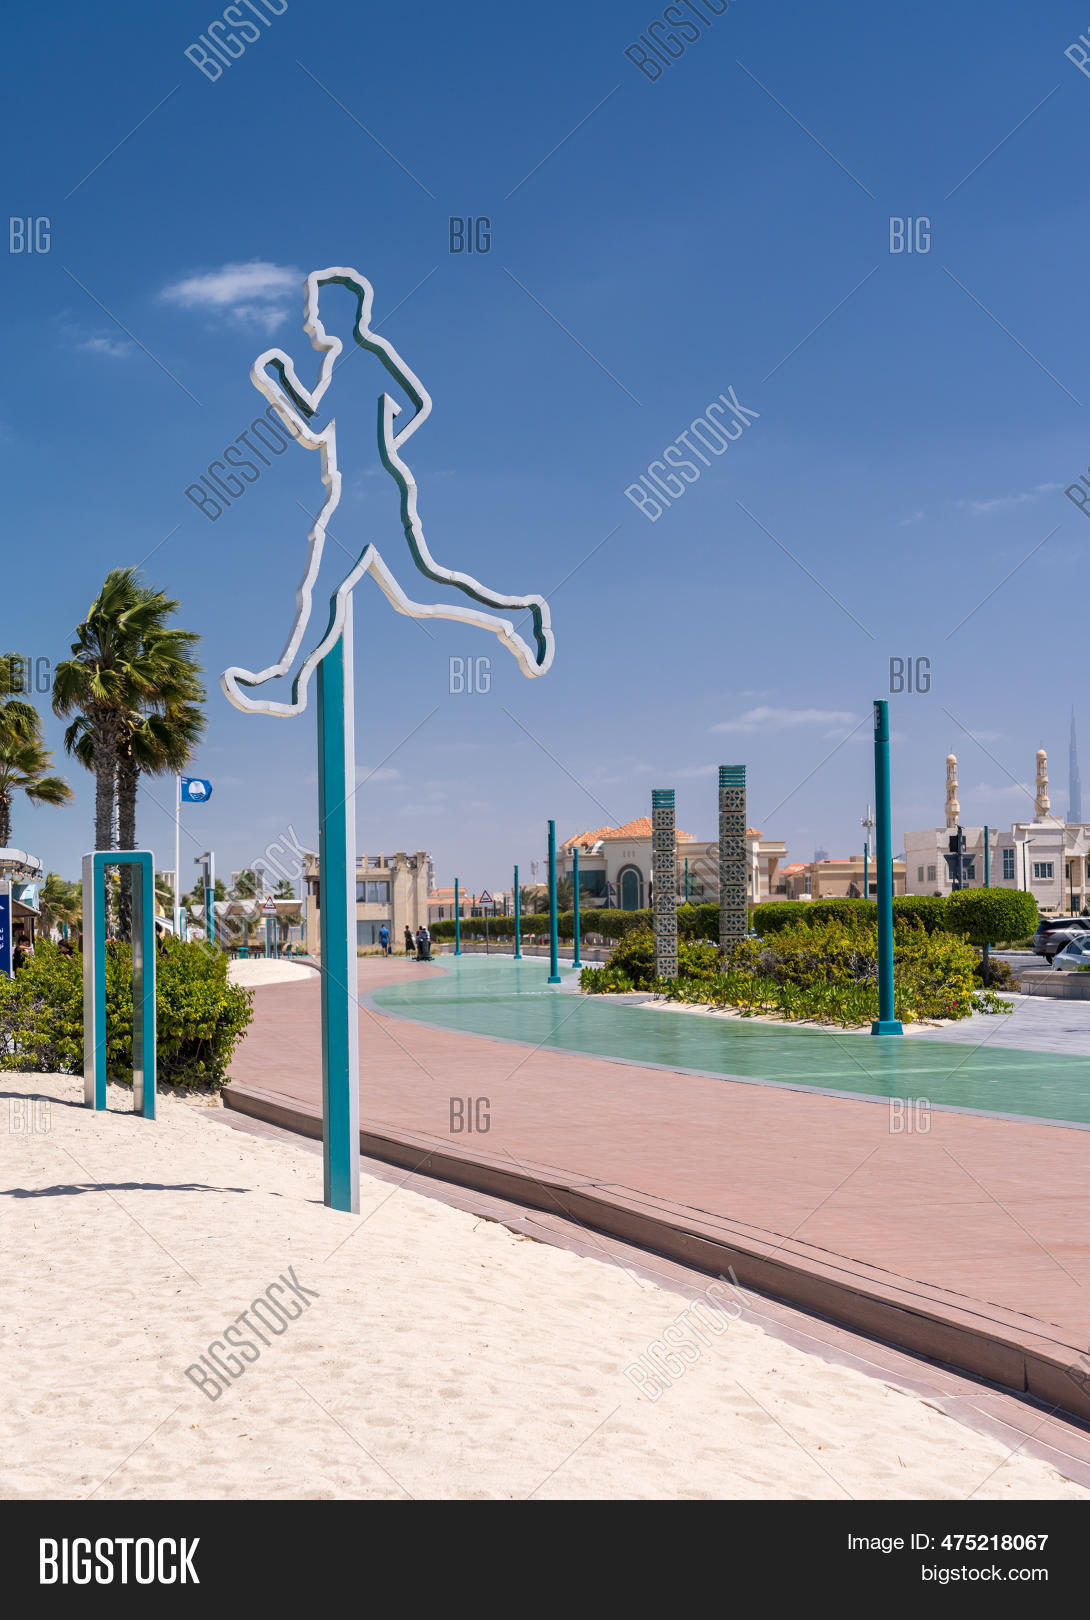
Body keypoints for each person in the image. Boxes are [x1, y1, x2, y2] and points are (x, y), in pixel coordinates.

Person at [220, 267, 554, 718]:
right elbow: (408, 406)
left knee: (333, 592)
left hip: (367, 492)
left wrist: (280, 382)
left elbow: (316, 427)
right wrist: (384, 441)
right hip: (373, 485)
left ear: (340, 314)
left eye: (316, 313)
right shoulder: (359, 359)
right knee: (412, 588)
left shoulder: (360, 360)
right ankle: (516, 616)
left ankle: (288, 683)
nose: (310, 324)